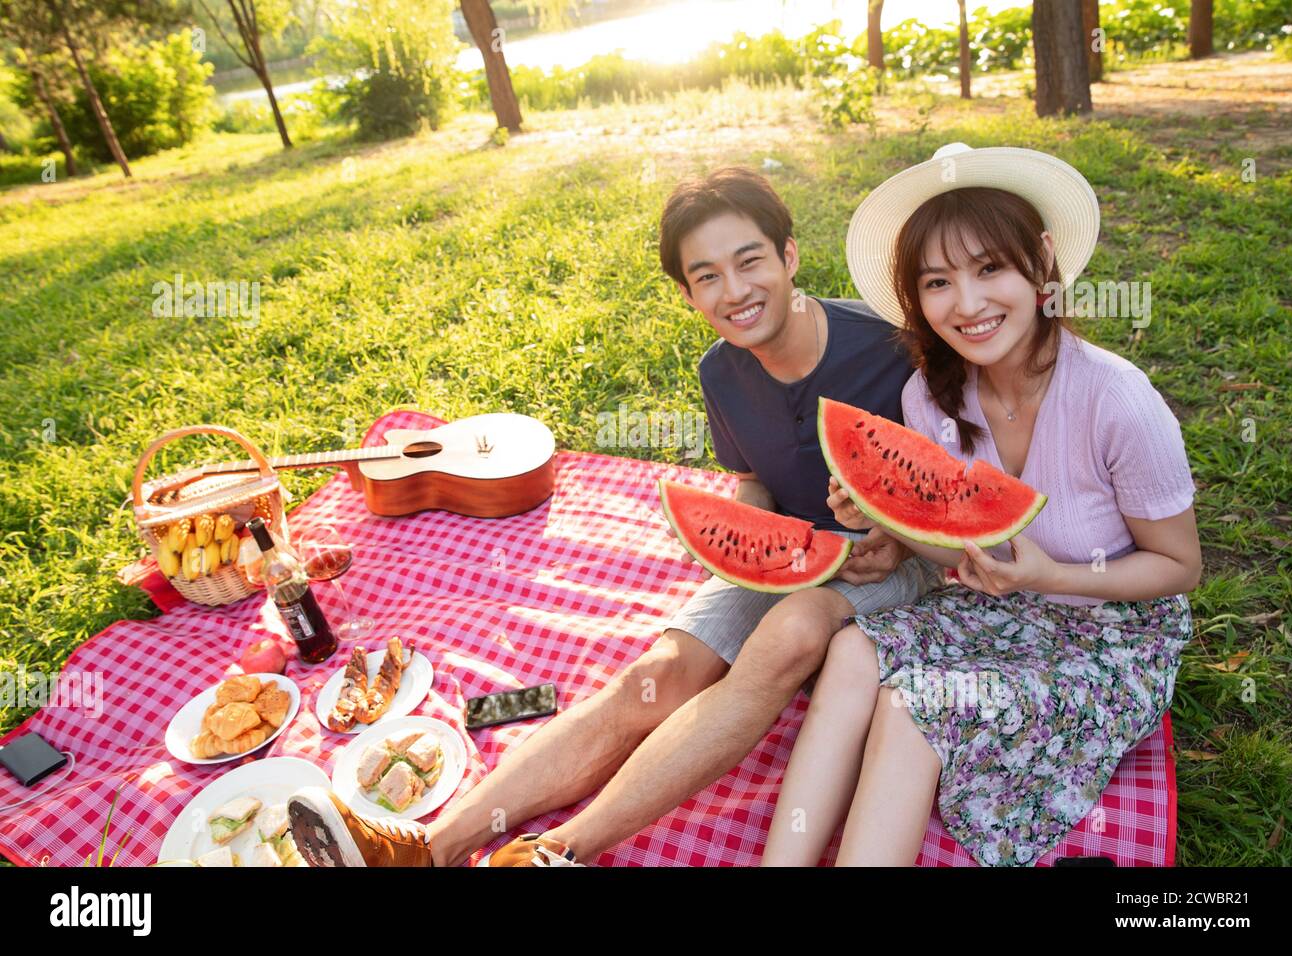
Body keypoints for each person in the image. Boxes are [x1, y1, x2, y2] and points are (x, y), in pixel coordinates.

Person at [285, 166, 941, 867]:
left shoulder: (893, 345)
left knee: (789, 632)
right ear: (689, 295)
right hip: (785, 552)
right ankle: (430, 850)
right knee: (655, 674)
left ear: (789, 255)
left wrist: (897, 538)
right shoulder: (721, 370)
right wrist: (732, 529)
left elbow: (962, 478)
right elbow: (754, 481)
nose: (736, 290)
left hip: (898, 555)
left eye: (750, 260)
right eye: (707, 276)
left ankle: (556, 852)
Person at [762, 143, 1202, 867]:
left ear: (1043, 262)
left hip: (1112, 630)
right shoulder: (927, 398)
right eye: (938, 282)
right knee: (850, 650)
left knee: (913, 710)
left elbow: (1180, 566)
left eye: (990, 268)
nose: (966, 305)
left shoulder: (1116, 399)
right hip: (999, 608)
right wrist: (890, 519)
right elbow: (962, 551)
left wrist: (1050, 578)